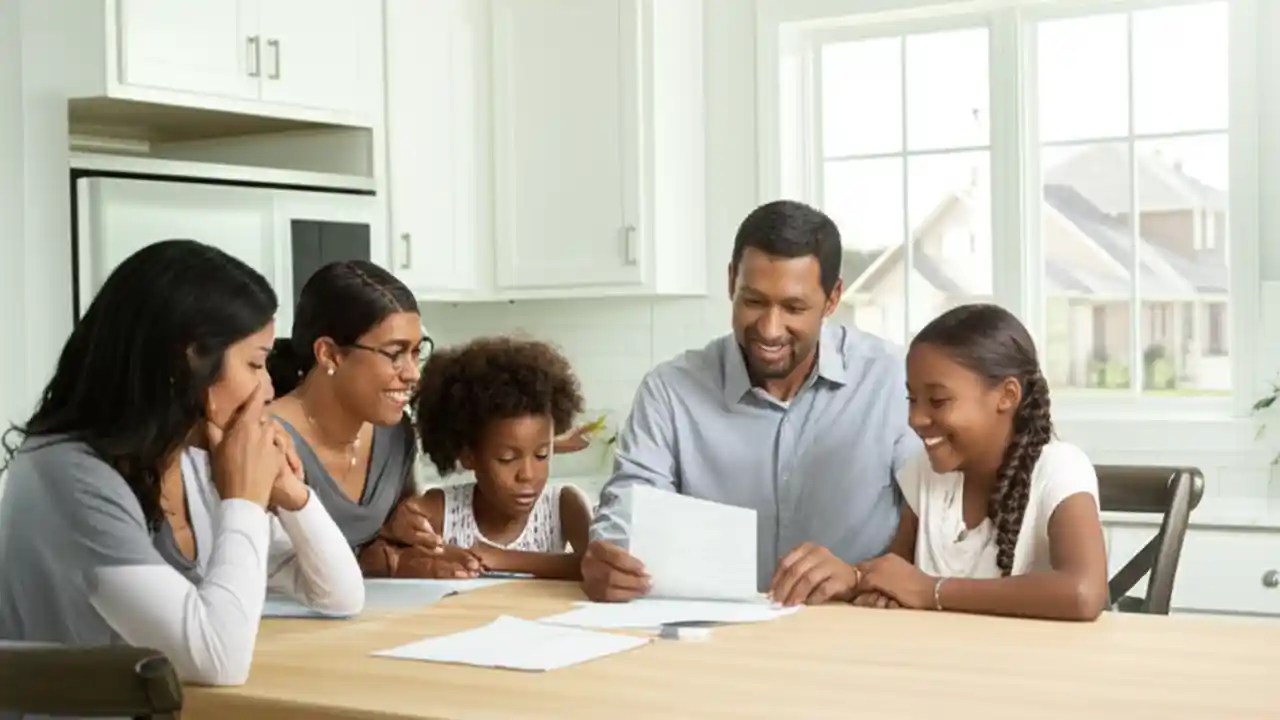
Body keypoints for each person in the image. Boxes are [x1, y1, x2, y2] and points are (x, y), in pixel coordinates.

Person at [0, 240, 364, 687]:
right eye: (255, 364)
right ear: (186, 361)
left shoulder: (191, 460)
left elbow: (341, 595)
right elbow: (217, 662)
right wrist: (243, 499)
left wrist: (293, 496)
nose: (268, 390)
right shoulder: (68, 473)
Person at [583, 199, 920, 605]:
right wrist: (612, 558)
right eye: (754, 301)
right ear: (731, 283)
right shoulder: (670, 392)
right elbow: (629, 510)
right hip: (708, 633)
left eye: (794, 307)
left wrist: (858, 575)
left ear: (832, 300)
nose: (770, 329)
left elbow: (933, 517)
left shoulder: (892, 380)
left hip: (851, 628)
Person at [850, 303, 1108, 621]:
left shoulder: (1059, 469)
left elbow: (1083, 593)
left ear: (1007, 395)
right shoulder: (926, 472)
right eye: (912, 399)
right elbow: (894, 579)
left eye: (938, 401)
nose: (915, 418)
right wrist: (853, 579)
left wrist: (932, 592)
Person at [362, 337, 592, 579]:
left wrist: (499, 558)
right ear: (469, 456)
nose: (528, 475)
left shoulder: (564, 505)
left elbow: (597, 565)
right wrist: (400, 546)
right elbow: (367, 559)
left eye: (542, 455)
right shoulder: (440, 510)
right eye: (506, 458)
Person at [265, 260, 441, 574]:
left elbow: (388, 543)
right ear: (329, 354)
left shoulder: (396, 435)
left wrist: (409, 539)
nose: (413, 374)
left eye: (416, 352)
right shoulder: (267, 440)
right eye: (394, 353)